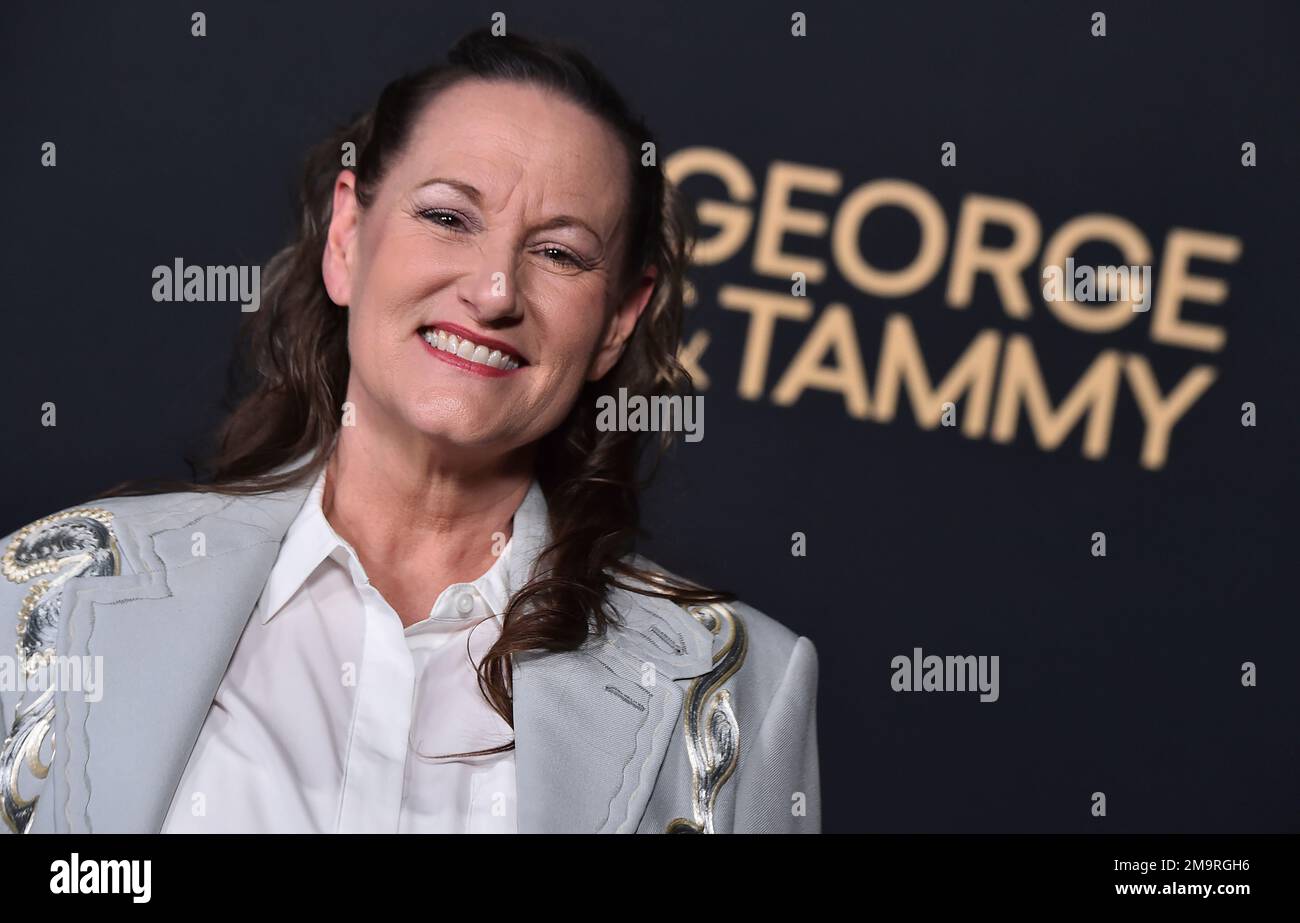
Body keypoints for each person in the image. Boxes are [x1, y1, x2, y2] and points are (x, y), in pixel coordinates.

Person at [0, 26, 820, 834]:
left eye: (561, 254)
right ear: (348, 236)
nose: (496, 290)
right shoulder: (51, 594)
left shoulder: (737, 686)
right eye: (448, 217)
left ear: (617, 322)